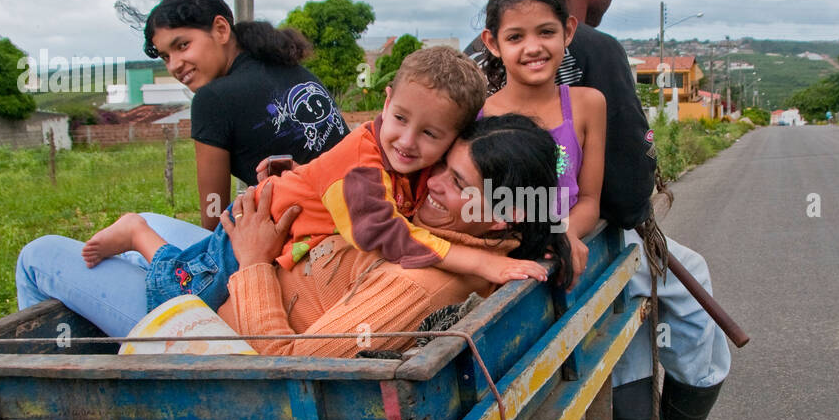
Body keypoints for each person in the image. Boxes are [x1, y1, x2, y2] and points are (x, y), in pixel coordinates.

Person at [469, 0, 733, 420]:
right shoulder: (597, 52)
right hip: (568, 242)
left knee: (629, 300)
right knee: (680, 287)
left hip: (495, 240)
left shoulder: (480, 51)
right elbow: (626, 192)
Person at [78, 47, 547, 313]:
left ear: (453, 137)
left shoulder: (413, 162)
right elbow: (382, 233)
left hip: (279, 236)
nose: (406, 141)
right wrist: (480, 263)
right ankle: (139, 235)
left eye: (430, 134)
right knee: (179, 293)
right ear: (386, 100)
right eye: (400, 118)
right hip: (245, 238)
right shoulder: (365, 163)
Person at [216, 114, 572, 358]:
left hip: (223, 351)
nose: (432, 182)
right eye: (442, 164)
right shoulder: (434, 226)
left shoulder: (416, 287)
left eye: (458, 182)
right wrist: (309, 183)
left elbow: (292, 371)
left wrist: (253, 262)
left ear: (502, 216)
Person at [141, 0, 350, 228]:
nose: (174, 65)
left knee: (144, 228)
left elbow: (214, 214)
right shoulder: (288, 66)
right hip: (362, 210)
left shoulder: (212, 100)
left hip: (315, 237)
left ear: (221, 30)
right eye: (166, 56)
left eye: (183, 45)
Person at [477, 0, 606, 286]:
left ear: (568, 31)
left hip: (564, 261)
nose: (532, 48)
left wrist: (564, 232)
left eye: (546, 32)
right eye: (515, 37)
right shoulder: (479, 116)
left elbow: (589, 200)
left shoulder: (588, 105)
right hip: (502, 269)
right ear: (493, 43)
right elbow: (473, 203)